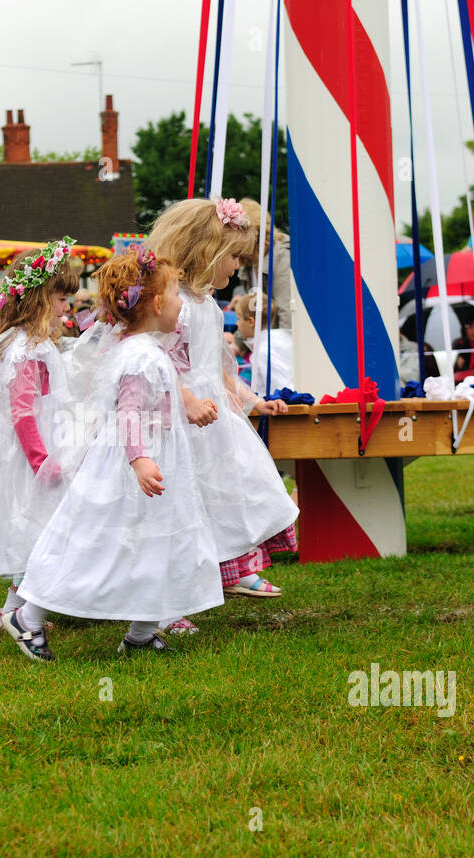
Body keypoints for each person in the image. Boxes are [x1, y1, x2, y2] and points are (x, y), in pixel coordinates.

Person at [5, 249, 223, 660]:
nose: (181, 305)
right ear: (157, 305)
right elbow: (128, 413)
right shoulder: (140, 356)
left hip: (155, 458)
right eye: (176, 295)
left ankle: (141, 630)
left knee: (158, 541)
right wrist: (140, 458)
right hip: (129, 465)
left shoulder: (141, 348)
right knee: (96, 542)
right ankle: (27, 617)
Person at [148, 197, 299, 601]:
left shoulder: (210, 308)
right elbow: (156, 362)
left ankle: (230, 567)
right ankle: (169, 596)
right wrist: (186, 401)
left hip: (214, 419)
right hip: (180, 418)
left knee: (230, 490)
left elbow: (220, 368)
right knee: (181, 506)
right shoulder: (173, 308)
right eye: (233, 256)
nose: (237, 266)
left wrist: (251, 401)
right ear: (206, 252)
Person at [0, 238, 81, 630]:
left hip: (45, 444)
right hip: (32, 454)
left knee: (41, 524)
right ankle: (17, 608)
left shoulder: (38, 344)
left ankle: (18, 604)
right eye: (61, 299)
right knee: (33, 523)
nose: (67, 307)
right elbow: (23, 410)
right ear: (40, 299)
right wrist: (41, 460)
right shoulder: (25, 349)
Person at [238, 197, 292, 329]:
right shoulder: (247, 264)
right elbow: (252, 314)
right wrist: (237, 344)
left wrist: (280, 348)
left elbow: (286, 313)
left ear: (256, 234)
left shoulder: (283, 256)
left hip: (279, 342)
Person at [235, 290, 293, 394]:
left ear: (251, 322)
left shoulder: (263, 351)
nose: (237, 323)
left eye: (239, 319)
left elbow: (281, 388)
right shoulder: (281, 339)